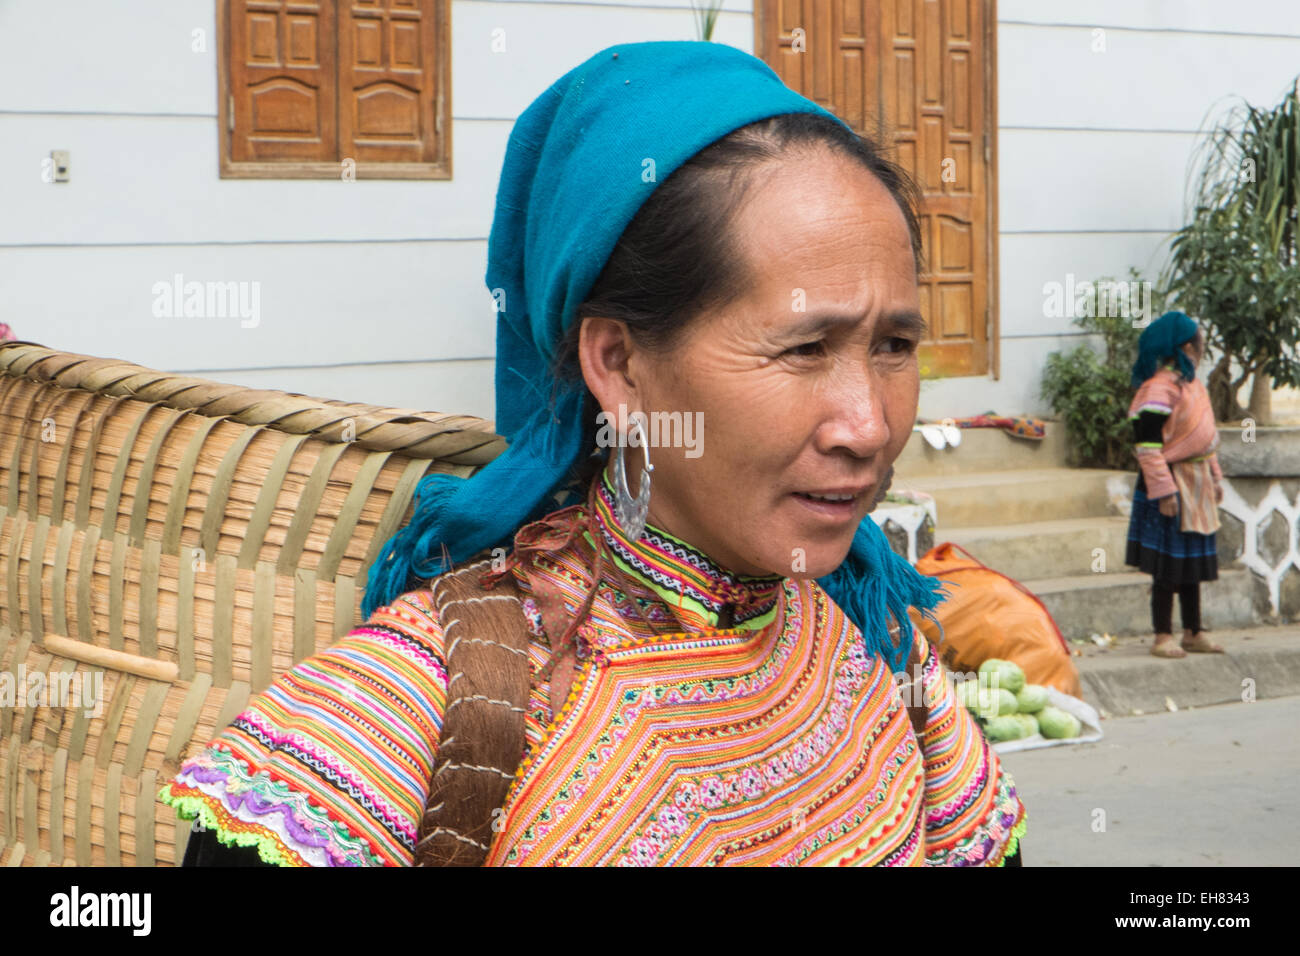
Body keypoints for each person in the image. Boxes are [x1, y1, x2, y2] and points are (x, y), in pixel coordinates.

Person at [162, 40, 1025, 866]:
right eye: (804, 349)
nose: (868, 424)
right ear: (617, 362)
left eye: (894, 345)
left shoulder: (878, 658)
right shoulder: (394, 729)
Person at [1125, 311, 1225, 658]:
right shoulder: (1158, 389)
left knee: (1192, 562)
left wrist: (1215, 476)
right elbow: (1147, 446)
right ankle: (1162, 635)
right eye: (1197, 339)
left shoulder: (1193, 384)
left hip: (1196, 484)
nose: (1201, 345)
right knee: (1167, 563)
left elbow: (1203, 437)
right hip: (1169, 485)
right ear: (1185, 345)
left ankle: (1193, 631)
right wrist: (1164, 491)